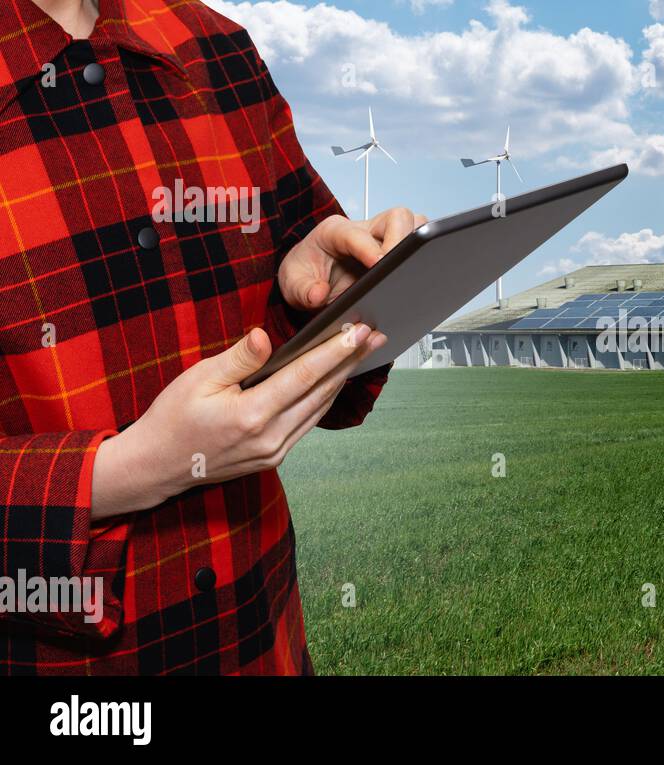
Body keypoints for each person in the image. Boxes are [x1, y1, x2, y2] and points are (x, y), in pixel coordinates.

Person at [0, 0, 424, 674]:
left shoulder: (218, 50)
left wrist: (326, 295)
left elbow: (283, 350)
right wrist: (131, 470)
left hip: (263, 643)